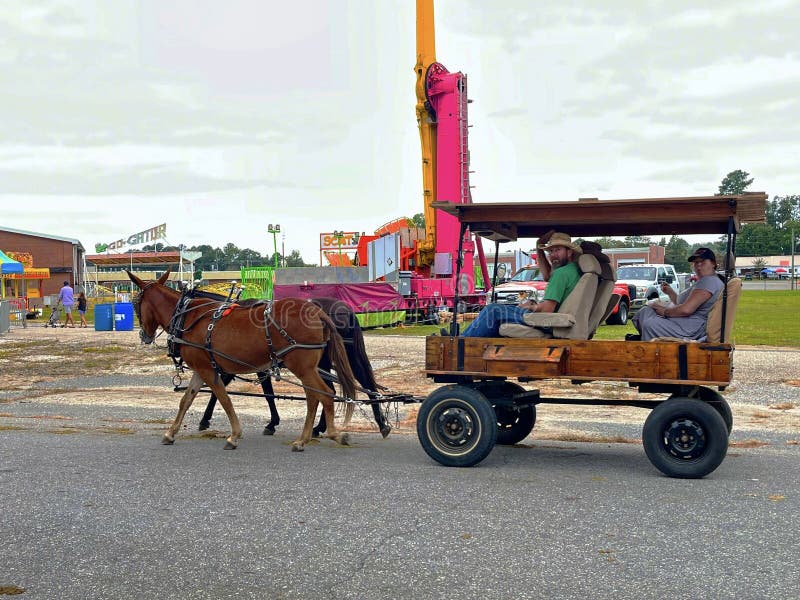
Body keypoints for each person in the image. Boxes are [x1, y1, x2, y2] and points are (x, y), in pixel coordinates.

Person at [463, 232, 582, 337]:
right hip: (559, 320)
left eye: (558, 250)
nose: (553, 255)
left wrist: (531, 307)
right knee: (498, 313)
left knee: (493, 310)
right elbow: (548, 276)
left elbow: (547, 310)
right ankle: (463, 337)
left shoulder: (561, 274)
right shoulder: (573, 270)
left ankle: (461, 342)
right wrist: (538, 246)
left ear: (569, 252)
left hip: (549, 321)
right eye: (551, 251)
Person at [631, 247, 724, 341]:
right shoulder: (705, 281)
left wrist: (664, 312)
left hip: (691, 328)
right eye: (696, 263)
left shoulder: (709, 281)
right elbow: (680, 302)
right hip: (685, 322)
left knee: (650, 325)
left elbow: (686, 310)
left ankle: (651, 348)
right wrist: (670, 292)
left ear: (713, 263)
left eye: (703, 262)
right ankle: (648, 340)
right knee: (644, 312)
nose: (699, 266)